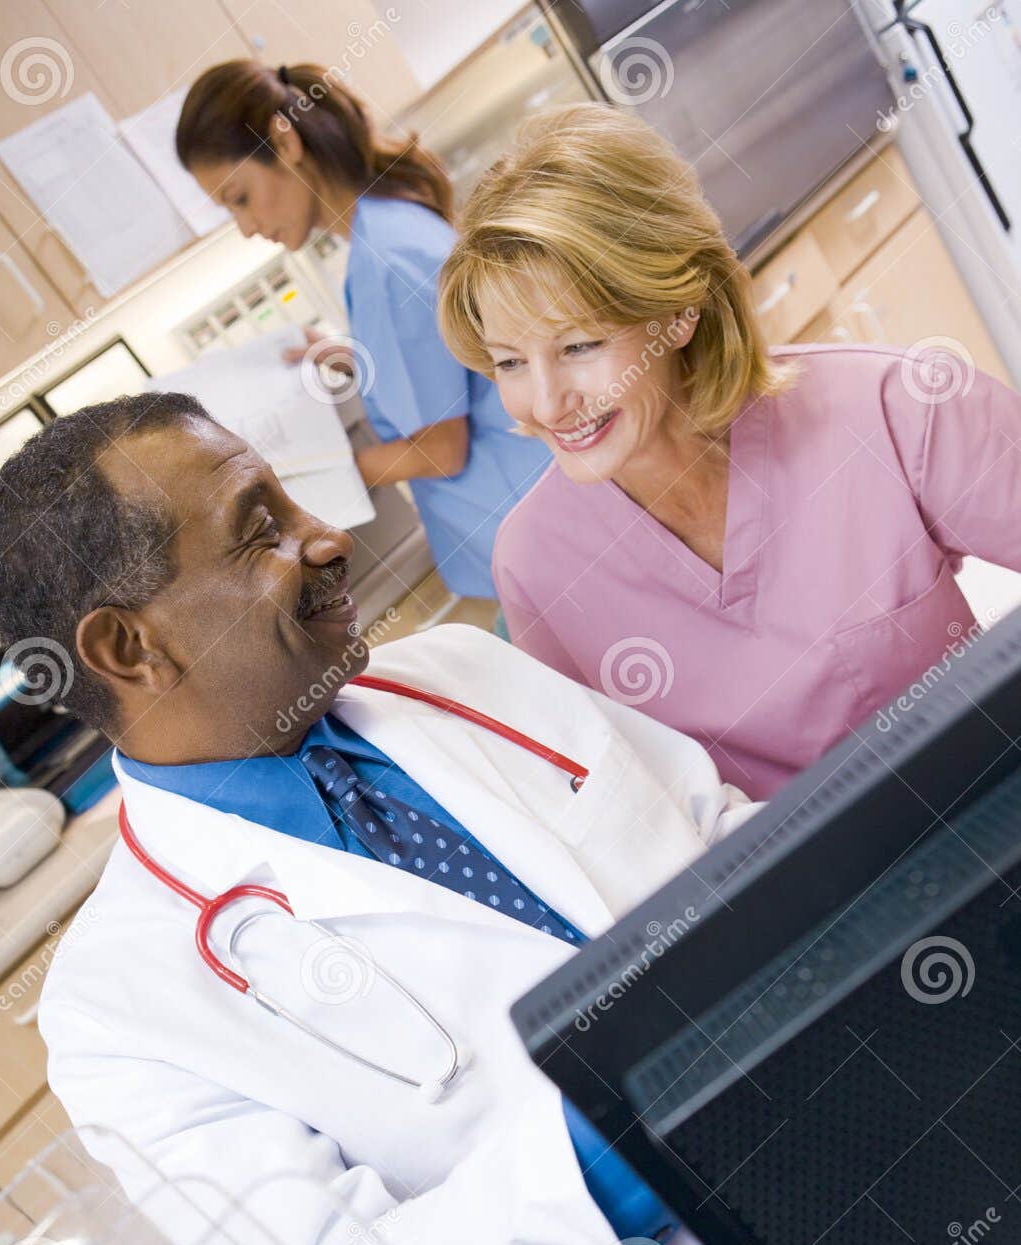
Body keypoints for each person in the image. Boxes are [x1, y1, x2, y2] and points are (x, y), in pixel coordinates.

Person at [0, 395, 756, 1245]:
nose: (329, 537)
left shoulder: (458, 668)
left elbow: (714, 823)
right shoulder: (116, 1014)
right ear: (130, 648)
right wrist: (649, 1116)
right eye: (259, 529)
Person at [437, 103, 1021, 799]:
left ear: (677, 310)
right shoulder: (536, 565)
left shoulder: (896, 405)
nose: (545, 402)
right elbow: (620, 812)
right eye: (508, 362)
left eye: (579, 347)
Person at [175, 61, 551, 604]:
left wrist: (302, 482)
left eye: (241, 198)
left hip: (532, 537)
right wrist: (361, 359)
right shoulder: (390, 222)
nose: (247, 227)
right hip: (535, 520)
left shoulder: (383, 264)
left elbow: (442, 449)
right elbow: (454, 357)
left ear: (285, 142)